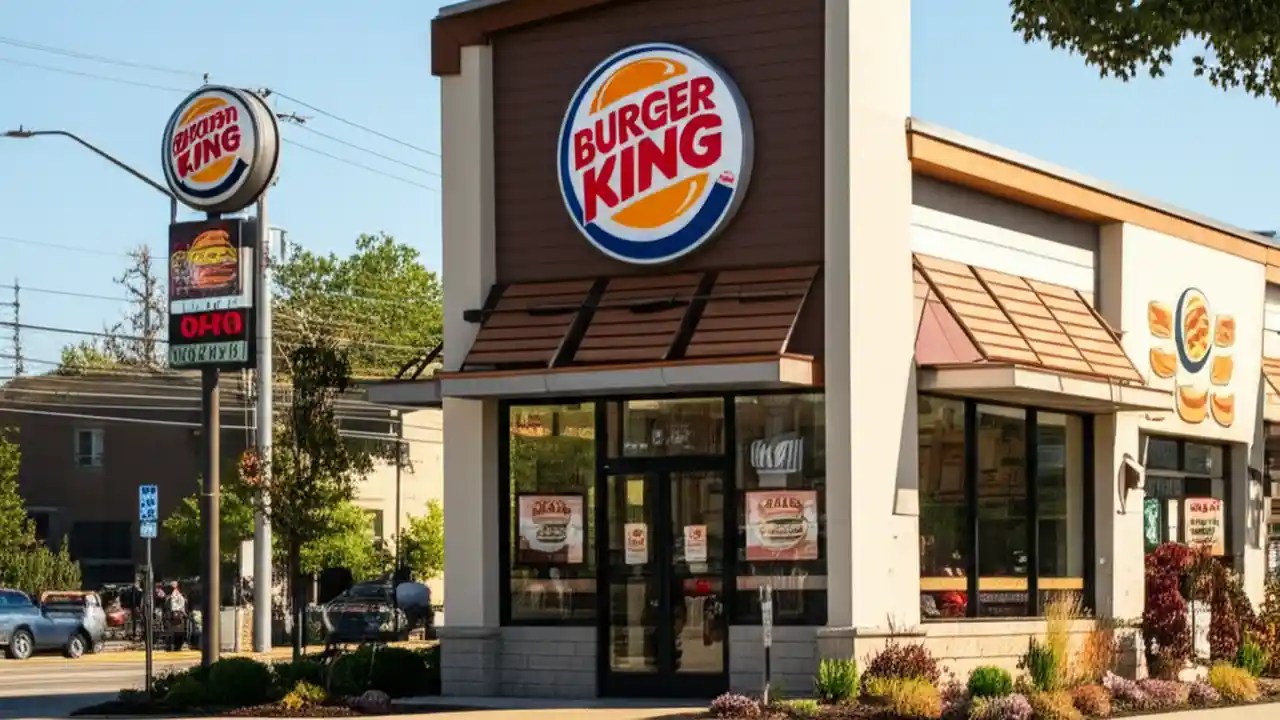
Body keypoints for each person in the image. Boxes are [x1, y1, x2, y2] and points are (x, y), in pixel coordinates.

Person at [163, 582, 188, 651]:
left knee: (177, 633)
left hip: (177, 617)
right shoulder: (170, 597)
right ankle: (172, 645)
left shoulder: (178, 596)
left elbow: (179, 605)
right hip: (172, 617)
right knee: (172, 633)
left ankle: (175, 646)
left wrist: (179, 612)